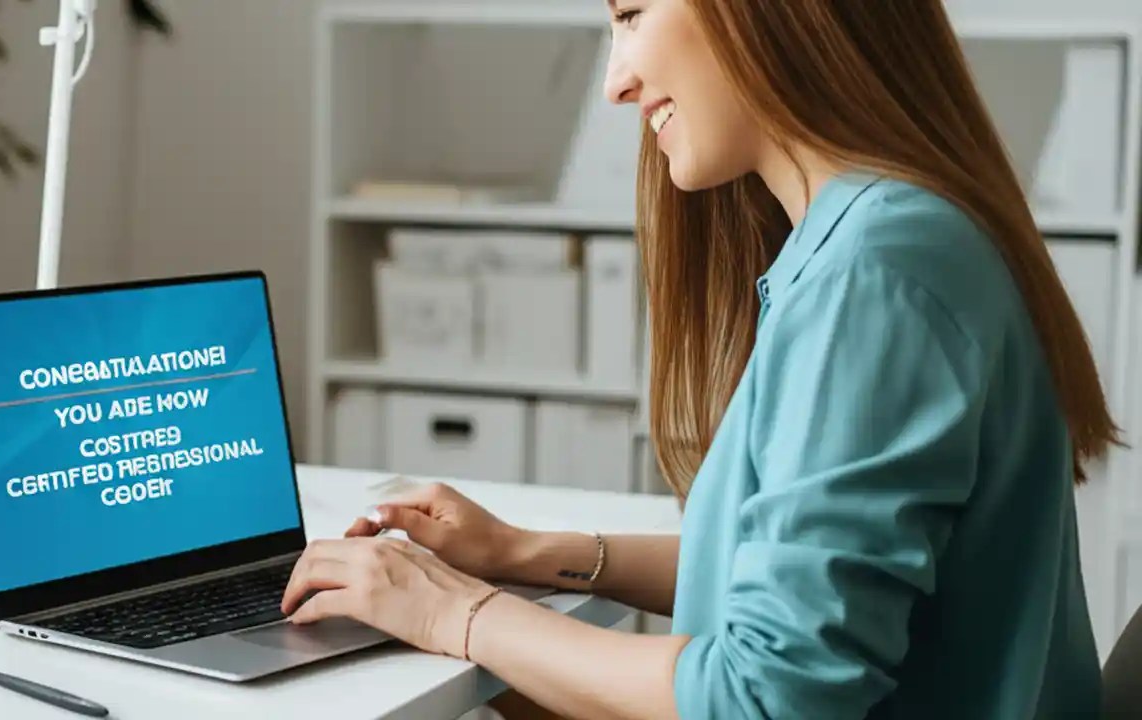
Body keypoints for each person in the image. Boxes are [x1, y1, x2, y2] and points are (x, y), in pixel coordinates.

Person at [280, 1, 1121, 717]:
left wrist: (453, 613)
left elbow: (768, 693)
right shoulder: (876, 241)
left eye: (632, 14)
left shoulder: (877, 270)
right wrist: (525, 553)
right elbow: (798, 579)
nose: (616, 81)